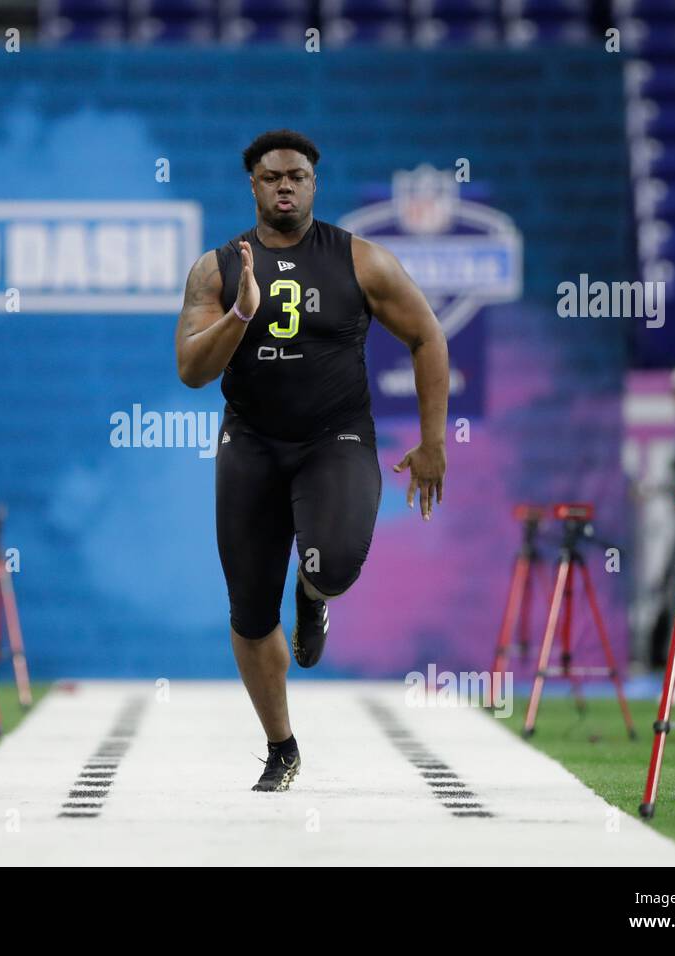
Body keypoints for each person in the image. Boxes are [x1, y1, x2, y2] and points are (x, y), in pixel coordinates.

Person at [174, 129, 449, 792]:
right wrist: (241, 314)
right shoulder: (217, 269)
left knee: (336, 562)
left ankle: (314, 593)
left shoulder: (361, 260)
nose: (285, 186)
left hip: (336, 439)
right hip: (253, 443)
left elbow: (426, 335)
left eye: (296, 175)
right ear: (253, 186)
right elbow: (190, 370)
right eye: (272, 177)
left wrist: (434, 441)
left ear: (314, 182)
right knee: (247, 609)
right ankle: (281, 746)